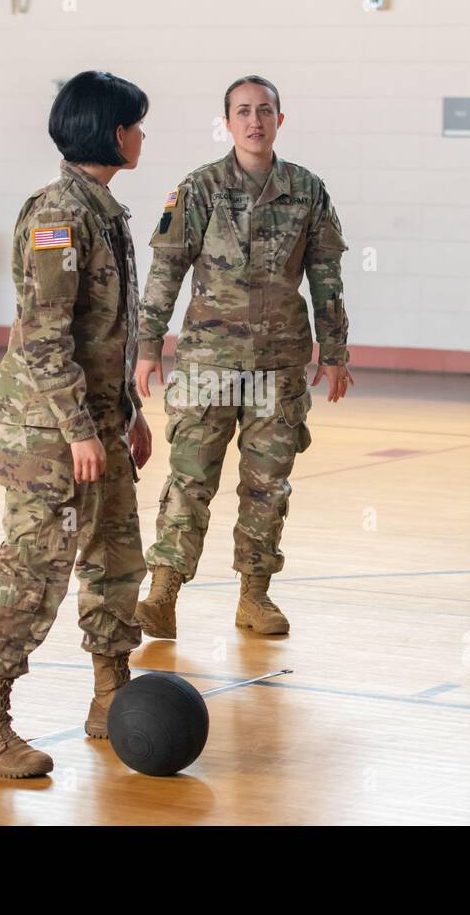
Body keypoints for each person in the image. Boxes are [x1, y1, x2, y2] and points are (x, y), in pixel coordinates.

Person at [0, 71, 152, 778]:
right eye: (134, 123)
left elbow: (105, 334)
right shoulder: (57, 216)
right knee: (33, 572)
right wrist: (78, 428)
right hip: (48, 435)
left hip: (97, 424)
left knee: (115, 558)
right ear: (110, 131)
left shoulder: (104, 210)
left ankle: (111, 696)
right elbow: (45, 336)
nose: (141, 136)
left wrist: (124, 418)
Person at [133, 75, 353, 639]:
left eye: (264, 110)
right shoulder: (199, 189)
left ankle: (254, 596)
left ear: (281, 118)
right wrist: (147, 346)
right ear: (227, 122)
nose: (254, 121)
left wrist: (335, 351)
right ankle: (162, 594)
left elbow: (327, 277)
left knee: (267, 486)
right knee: (189, 480)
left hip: (277, 370)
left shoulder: (307, 190)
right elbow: (166, 271)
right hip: (208, 365)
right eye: (242, 112)